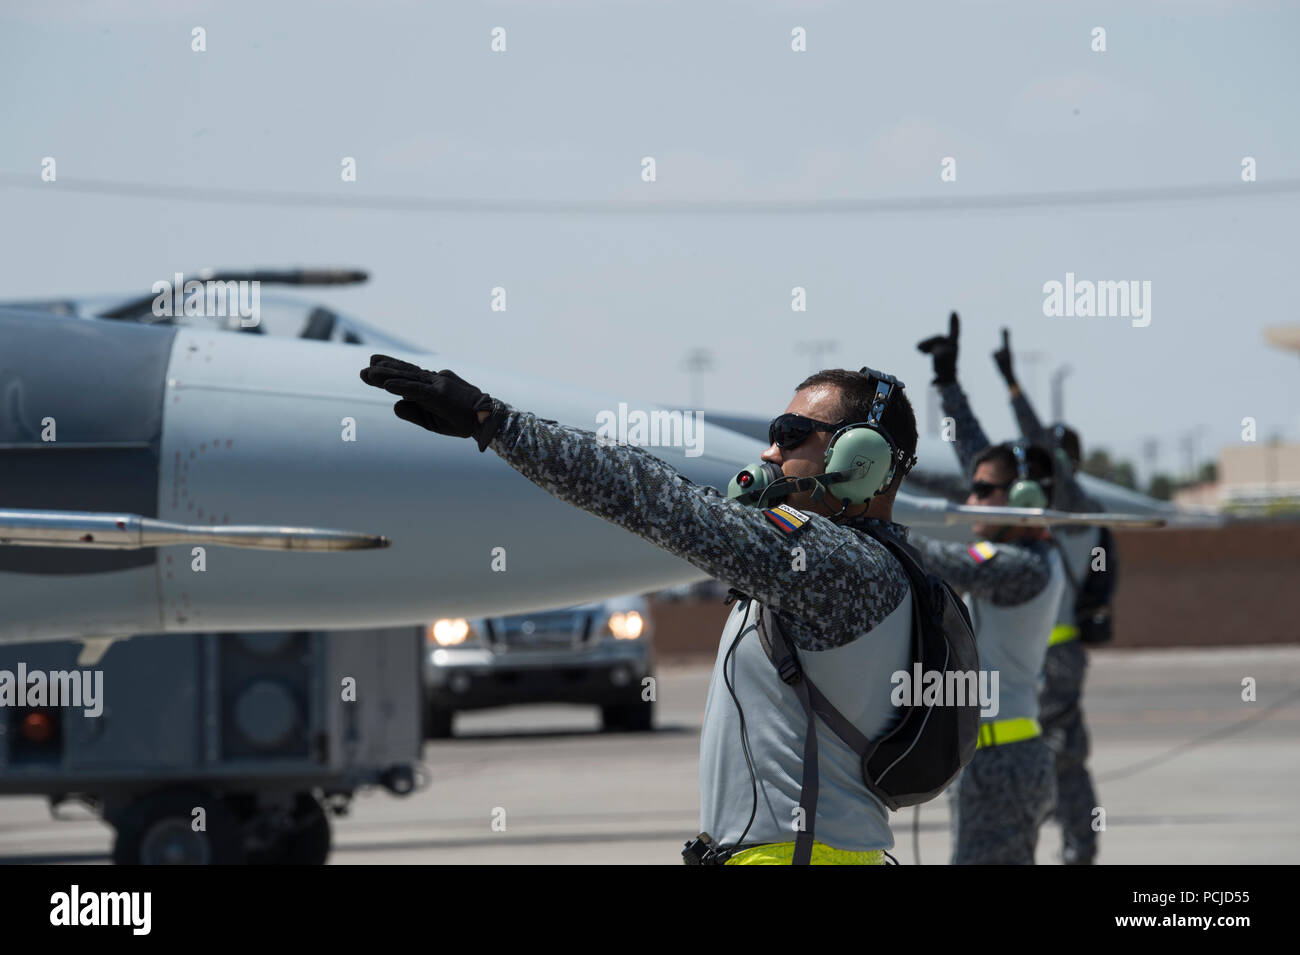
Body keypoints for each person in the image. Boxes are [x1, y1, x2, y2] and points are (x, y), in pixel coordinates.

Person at [361, 356, 923, 865]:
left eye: (792, 435)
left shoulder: (835, 564)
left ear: (860, 460)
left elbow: (652, 497)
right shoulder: (868, 566)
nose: (769, 452)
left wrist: (495, 423)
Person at [914, 313, 1066, 864]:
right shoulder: (1023, 547)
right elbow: (979, 460)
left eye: (982, 493)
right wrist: (948, 385)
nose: (970, 499)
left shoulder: (1021, 565)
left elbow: (944, 561)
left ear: (1021, 500)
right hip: (993, 759)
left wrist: (880, 526)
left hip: (1002, 762)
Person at [994, 328, 1111, 865]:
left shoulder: (1073, 507)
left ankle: (1073, 852)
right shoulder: (1045, 517)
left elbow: (1042, 448)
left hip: (1052, 654)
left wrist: (1015, 387)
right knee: (1047, 757)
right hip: (1041, 653)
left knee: (1053, 758)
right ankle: (1063, 850)